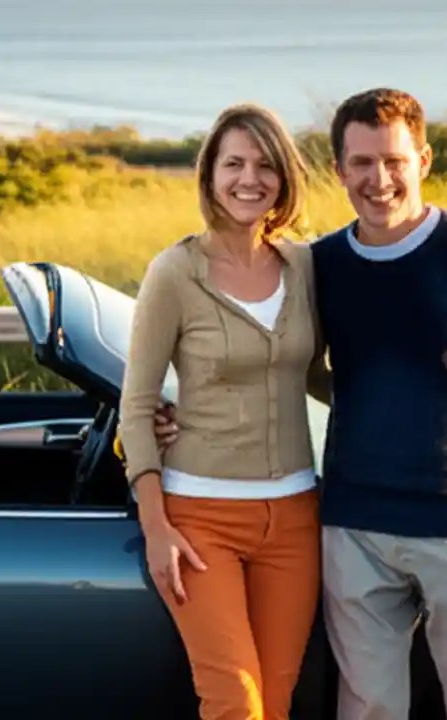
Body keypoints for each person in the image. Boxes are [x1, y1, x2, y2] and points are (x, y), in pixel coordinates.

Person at [153, 88, 447, 720]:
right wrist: (177, 413)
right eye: (360, 163)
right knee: (367, 707)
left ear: (424, 161)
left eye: (393, 161)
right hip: (355, 524)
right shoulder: (320, 266)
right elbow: (278, 362)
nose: (378, 179)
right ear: (339, 170)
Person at [118, 102, 325, 720]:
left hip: (294, 516)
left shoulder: (307, 267)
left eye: (265, 165)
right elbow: (136, 407)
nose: (249, 179)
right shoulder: (174, 273)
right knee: (233, 700)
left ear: (284, 178)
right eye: (234, 163)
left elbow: (320, 376)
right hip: (200, 519)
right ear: (210, 174)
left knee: (277, 699)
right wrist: (157, 527)